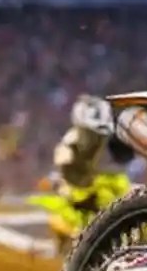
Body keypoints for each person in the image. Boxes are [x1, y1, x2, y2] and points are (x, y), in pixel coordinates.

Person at [48, 94, 134, 227]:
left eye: (101, 136)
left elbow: (123, 180)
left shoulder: (113, 149)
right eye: (91, 134)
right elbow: (62, 186)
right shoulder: (67, 150)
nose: (97, 140)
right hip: (78, 216)